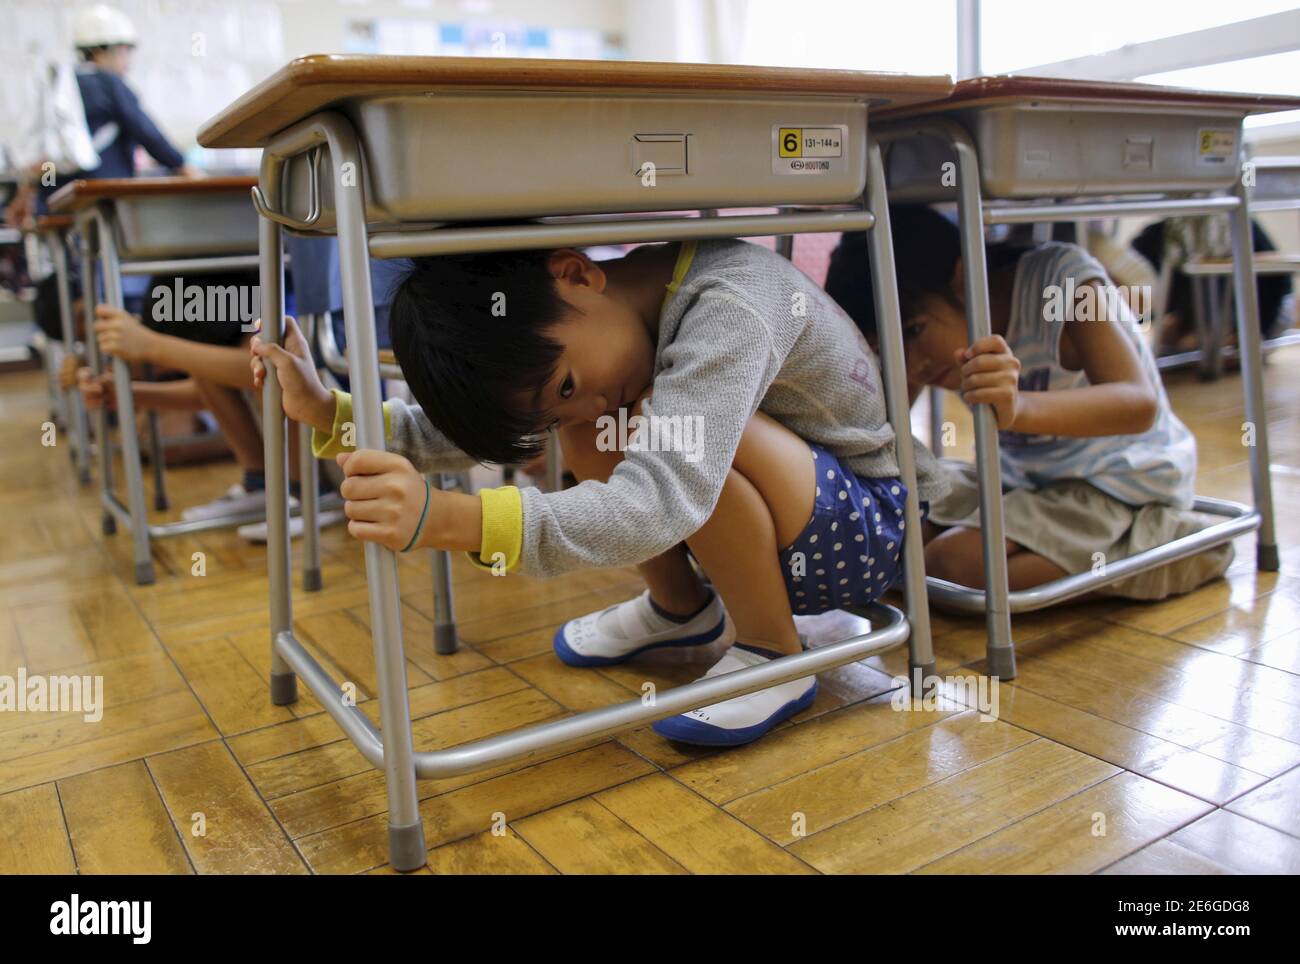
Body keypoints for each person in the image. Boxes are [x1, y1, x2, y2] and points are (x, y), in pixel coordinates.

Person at [251, 238, 948, 747]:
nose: (572, 405)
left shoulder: (732, 301)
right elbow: (517, 426)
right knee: (595, 426)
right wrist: (330, 413)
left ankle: (775, 654)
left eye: (561, 386)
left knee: (652, 424)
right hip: (780, 516)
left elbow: (662, 497)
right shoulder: (610, 321)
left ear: (577, 274)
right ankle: (683, 609)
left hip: (867, 527)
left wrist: (454, 520)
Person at [825, 205, 1232, 602]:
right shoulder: (933, 340)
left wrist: (1018, 406)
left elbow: (1139, 404)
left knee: (952, 564)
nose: (911, 364)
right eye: (886, 348)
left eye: (913, 331)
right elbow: (888, 420)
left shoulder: (1062, 281)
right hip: (1023, 480)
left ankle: (1170, 544)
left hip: (1118, 483)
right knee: (892, 533)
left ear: (963, 277)